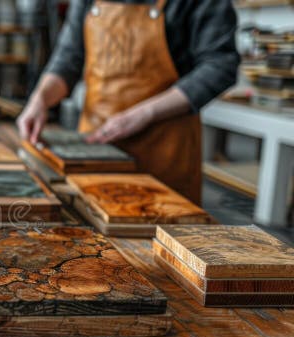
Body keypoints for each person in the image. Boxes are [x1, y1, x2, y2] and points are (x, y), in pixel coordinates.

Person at [18, 0, 240, 203]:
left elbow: (221, 66)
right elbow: (67, 60)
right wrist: (40, 99)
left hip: (165, 152)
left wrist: (145, 113)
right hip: (94, 150)